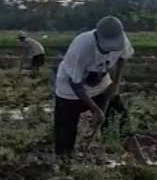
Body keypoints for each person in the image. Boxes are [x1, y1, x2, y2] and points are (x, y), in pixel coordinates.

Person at [53, 16, 134, 157]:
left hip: (101, 84)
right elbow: (75, 84)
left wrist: (115, 85)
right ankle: (64, 165)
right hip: (70, 92)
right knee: (65, 133)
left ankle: (136, 159)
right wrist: (96, 110)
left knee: (120, 120)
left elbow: (122, 59)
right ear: (97, 36)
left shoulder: (122, 39)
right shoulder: (81, 47)